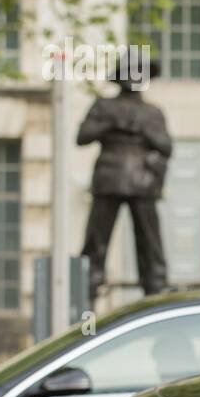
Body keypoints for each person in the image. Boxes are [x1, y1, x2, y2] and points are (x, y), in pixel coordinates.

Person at [77, 50, 172, 298]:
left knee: (149, 240)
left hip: (142, 182)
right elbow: (83, 136)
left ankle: (156, 287)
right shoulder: (104, 106)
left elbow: (166, 146)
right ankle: (89, 282)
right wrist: (114, 124)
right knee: (97, 239)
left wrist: (139, 128)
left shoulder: (152, 113)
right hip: (110, 178)